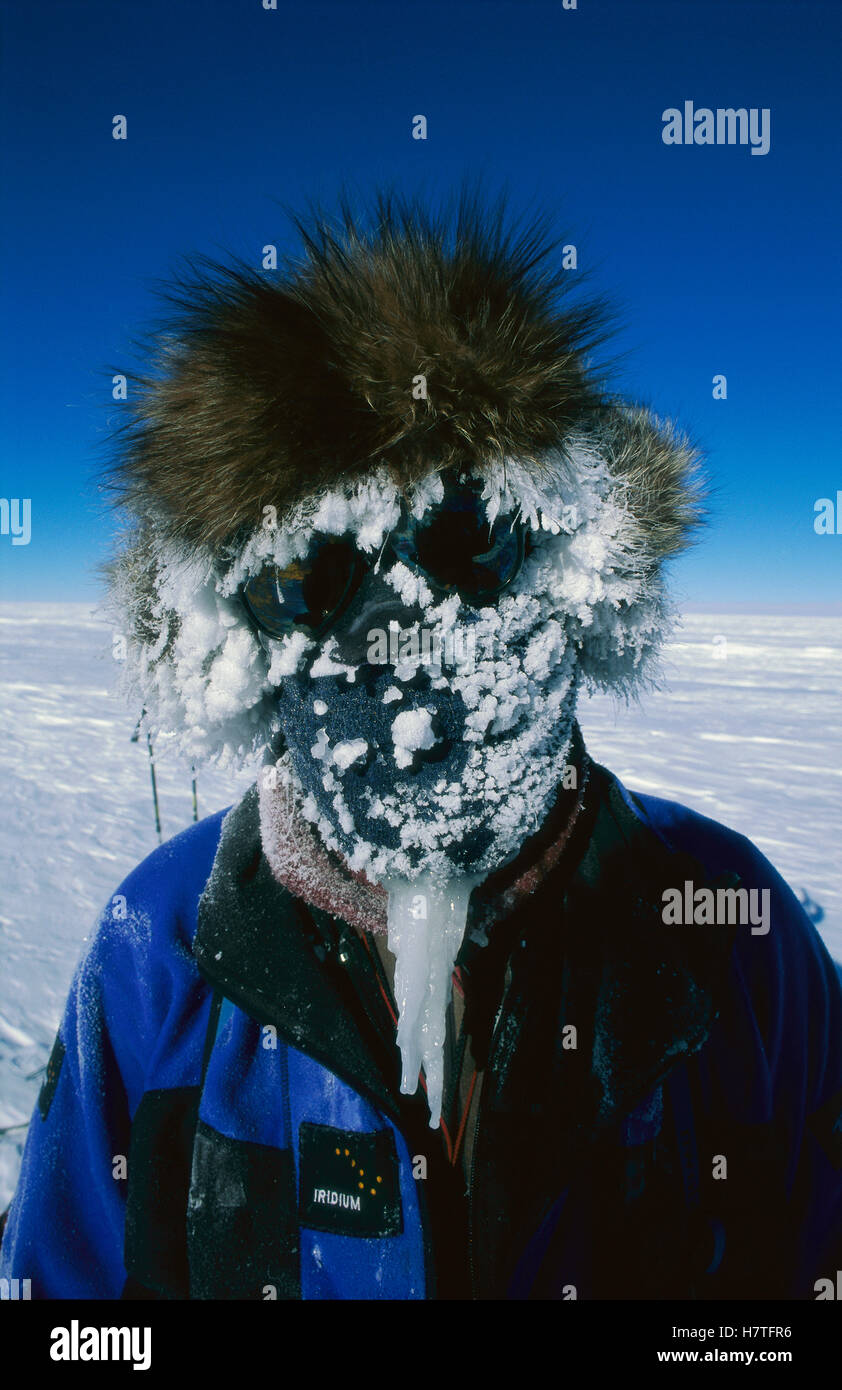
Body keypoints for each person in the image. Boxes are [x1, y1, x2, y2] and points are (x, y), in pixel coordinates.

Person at [2, 193, 840, 1301]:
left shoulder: (730, 928)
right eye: (310, 577)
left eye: (470, 535)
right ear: (241, 638)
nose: (404, 643)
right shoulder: (160, 949)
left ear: (574, 570)